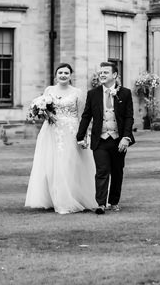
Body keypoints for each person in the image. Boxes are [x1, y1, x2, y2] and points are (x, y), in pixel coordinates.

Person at [24, 63, 98, 214]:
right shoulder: (49, 90)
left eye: (66, 73)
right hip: (51, 132)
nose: (63, 75)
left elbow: (82, 115)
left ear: (71, 75)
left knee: (70, 164)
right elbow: (45, 110)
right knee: (51, 165)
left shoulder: (77, 92)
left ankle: (72, 197)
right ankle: (54, 198)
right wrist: (43, 112)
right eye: (60, 72)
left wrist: (83, 135)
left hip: (71, 131)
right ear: (56, 75)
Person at [77, 61, 135, 215]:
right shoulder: (93, 94)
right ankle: (101, 204)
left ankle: (114, 202)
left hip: (118, 139)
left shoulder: (125, 93)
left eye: (105, 72)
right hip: (100, 139)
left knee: (117, 171)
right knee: (102, 171)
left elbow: (129, 117)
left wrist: (126, 138)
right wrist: (80, 136)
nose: (101, 75)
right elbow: (86, 116)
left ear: (114, 75)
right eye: (100, 72)